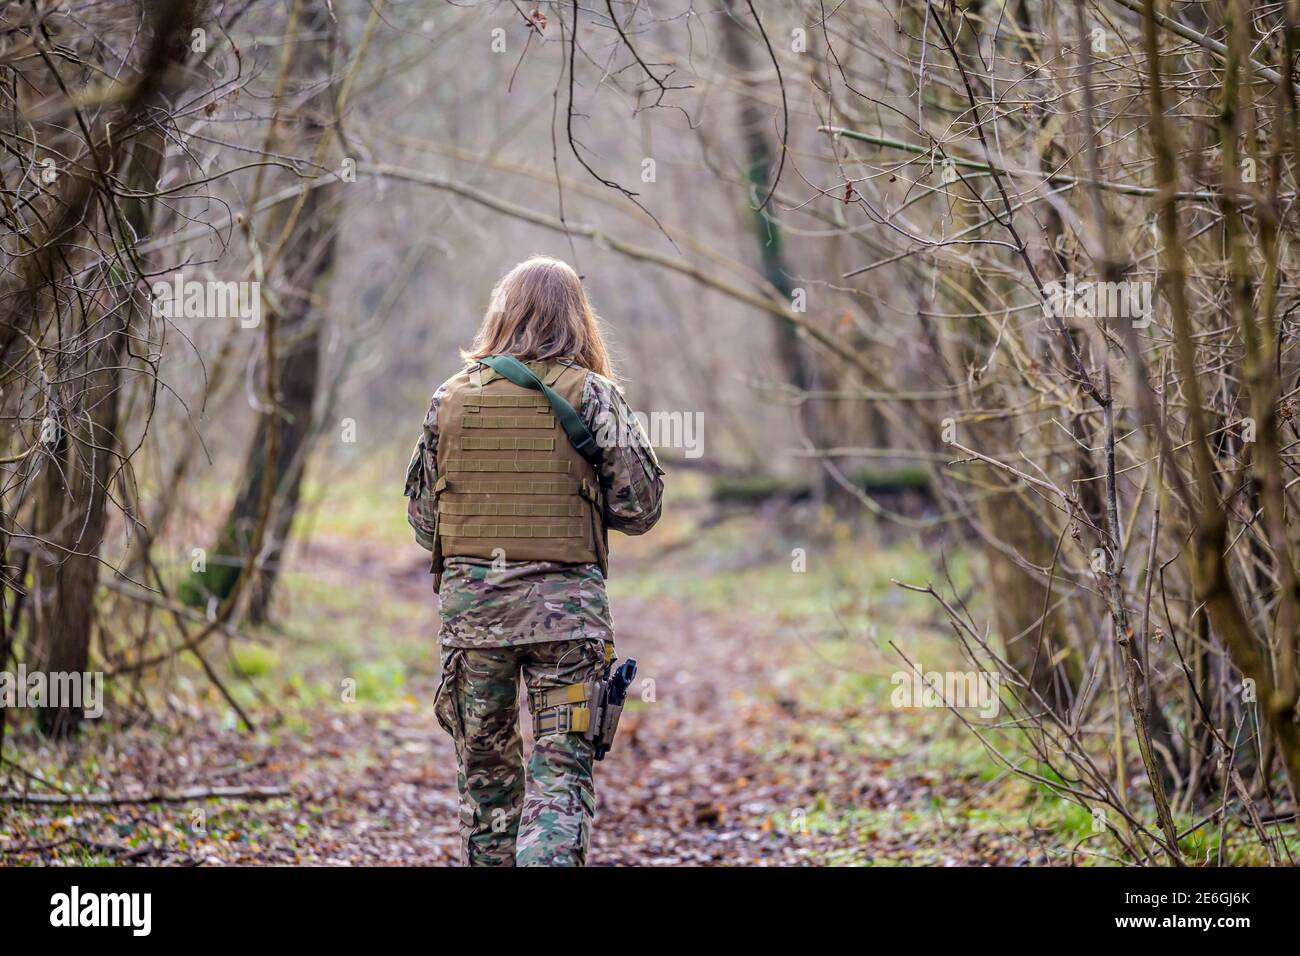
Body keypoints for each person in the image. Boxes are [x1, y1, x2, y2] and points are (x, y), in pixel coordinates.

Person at [404, 255, 665, 866]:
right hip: (566, 622)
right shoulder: (593, 395)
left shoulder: (450, 398)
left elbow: (422, 523)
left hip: (475, 625)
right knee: (560, 776)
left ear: (502, 312)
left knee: (489, 784)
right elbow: (642, 508)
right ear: (579, 320)